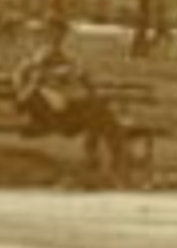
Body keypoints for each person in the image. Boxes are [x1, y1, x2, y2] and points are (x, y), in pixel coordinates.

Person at [11, 17, 130, 184]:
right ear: (46, 34)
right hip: (56, 117)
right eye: (53, 33)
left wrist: (78, 76)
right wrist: (50, 77)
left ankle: (108, 159)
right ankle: (110, 161)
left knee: (101, 111)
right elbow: (25, 89)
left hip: (68, 111)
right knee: (101, 113)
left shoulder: (60, 56)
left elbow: (82, 84)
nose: (57, 38)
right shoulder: (36, 58)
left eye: (61, 34)